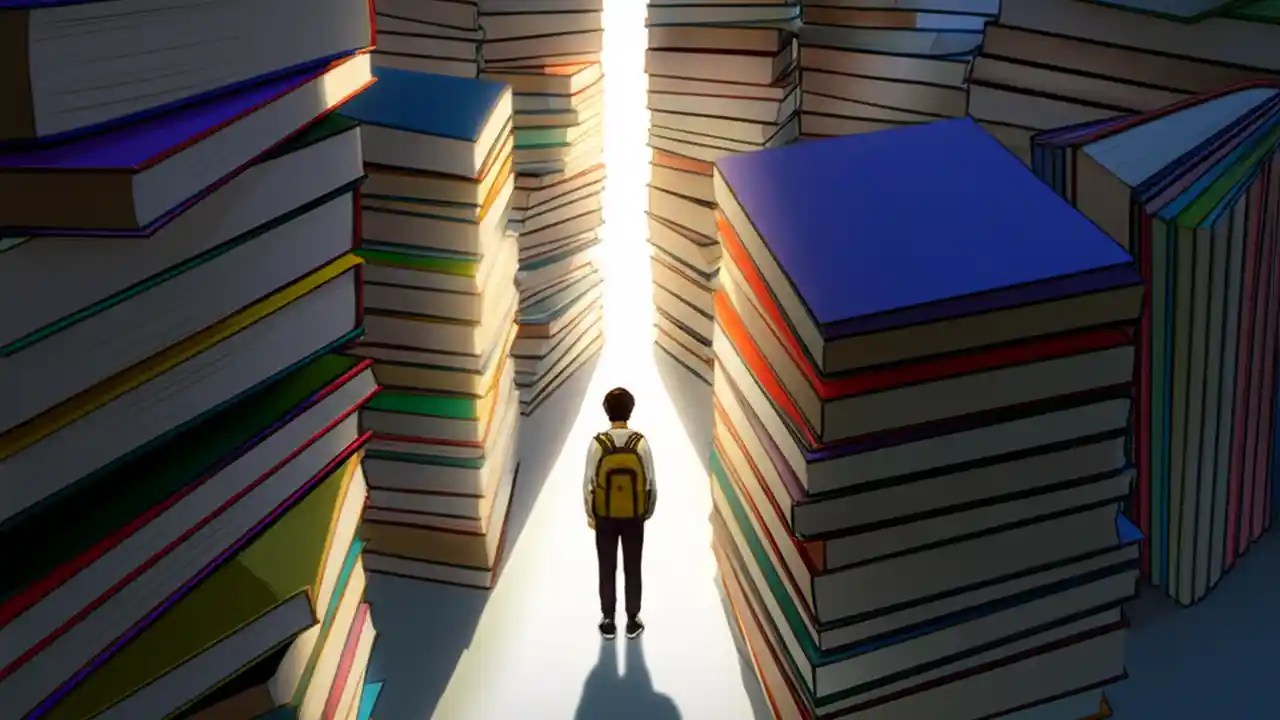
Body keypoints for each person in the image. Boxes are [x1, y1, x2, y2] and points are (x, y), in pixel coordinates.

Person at [584, 387, 656, 640]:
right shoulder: (640, 443)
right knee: (633, 566)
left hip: (605, 515)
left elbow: (589, 483)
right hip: (634, 516)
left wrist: (591, 514)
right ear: (630, 410)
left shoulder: (598, 444)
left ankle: (608, 620)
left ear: (606, 411)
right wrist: (646, 511)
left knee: (607, 567)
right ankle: (633, 619)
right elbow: (650, 482)